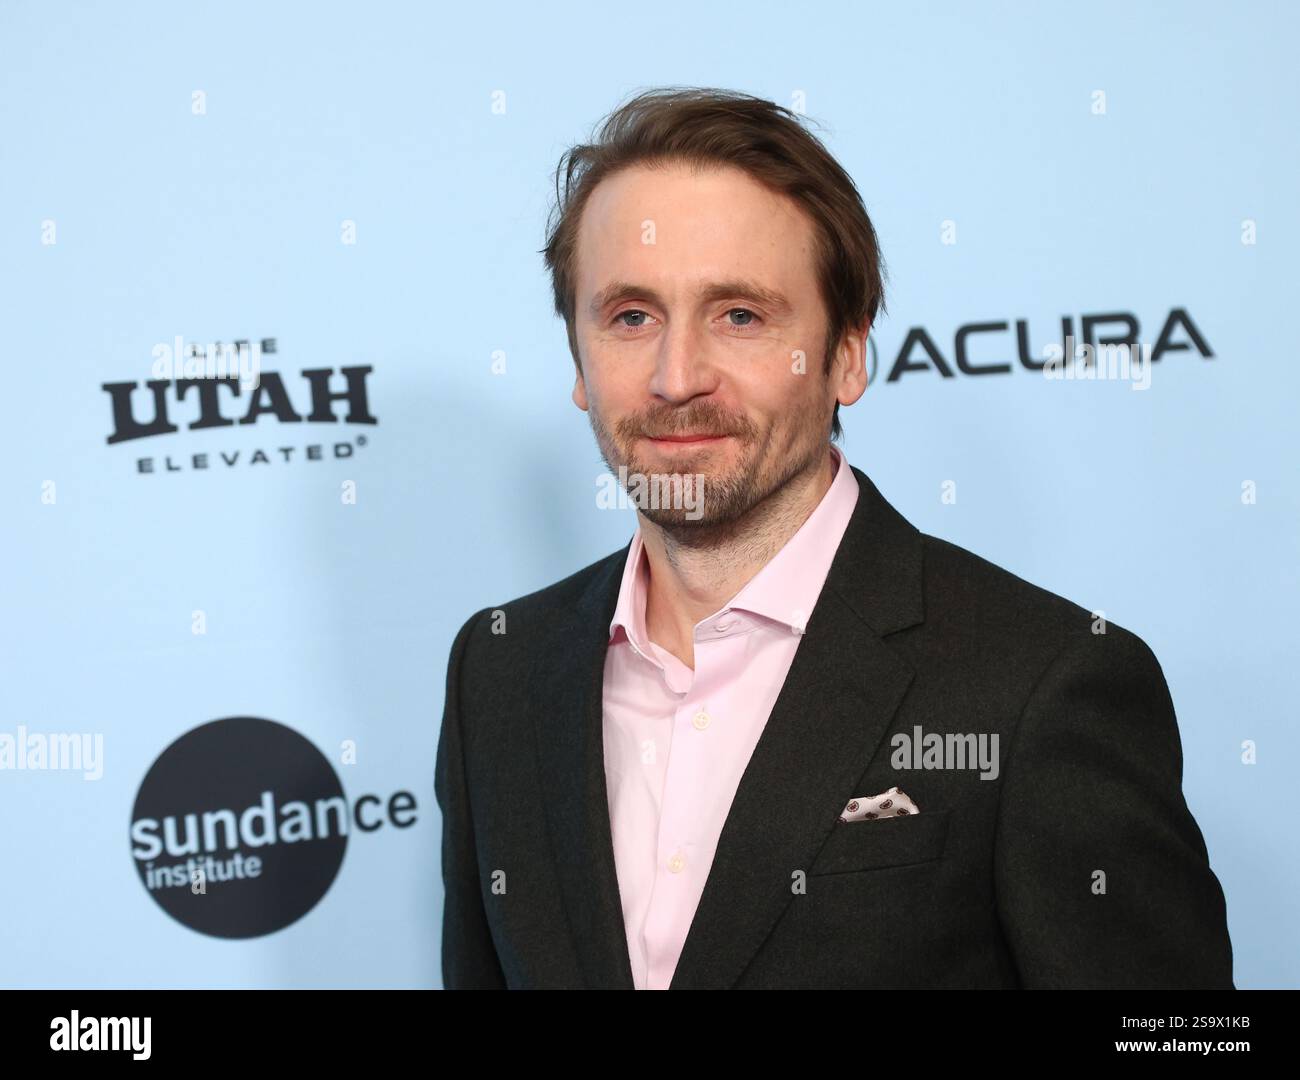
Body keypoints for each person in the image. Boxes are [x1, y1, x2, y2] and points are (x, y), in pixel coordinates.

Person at [435, 87, 1234, 989]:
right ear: (579, 359)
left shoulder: (1040, 683)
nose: (676, 376)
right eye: (631, 317)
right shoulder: (498, 673)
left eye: (739, 315)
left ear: (847, 355)